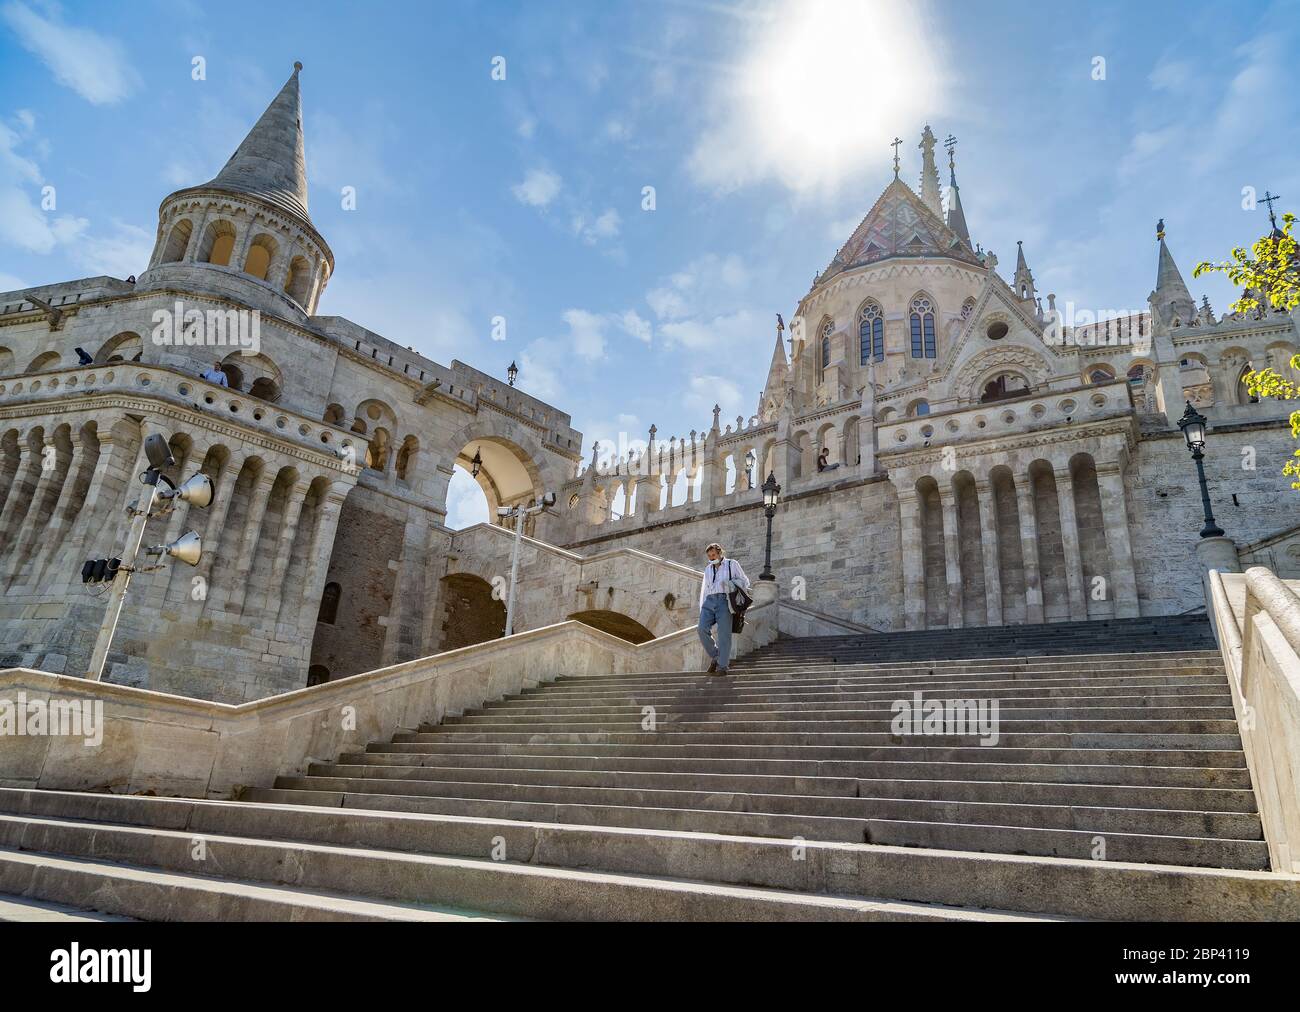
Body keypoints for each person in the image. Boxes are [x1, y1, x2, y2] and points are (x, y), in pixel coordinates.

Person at [698, 542, 750, 676]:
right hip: (709, 601)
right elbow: (705, 588)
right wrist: (702, 606)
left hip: (725, 601)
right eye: (709, 556)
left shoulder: (732, 564)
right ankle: (716, 657)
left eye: (713, 555)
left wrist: (730, 584)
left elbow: (745, 581)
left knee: (724, 635)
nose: (711, 558)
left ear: (720, 553)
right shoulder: (708, 569)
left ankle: (722, 667)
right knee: (701, 629)